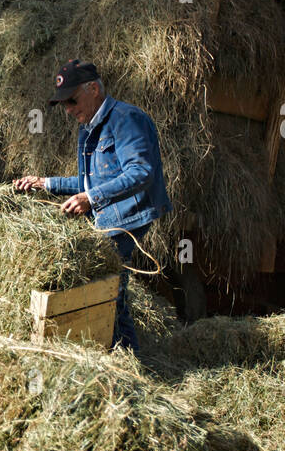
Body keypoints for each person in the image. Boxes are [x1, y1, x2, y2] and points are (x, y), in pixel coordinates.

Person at [13, 59, 172, 351]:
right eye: (63, 104)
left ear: (94, 89)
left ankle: (127, 361)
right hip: (107, 217)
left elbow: (140, 172)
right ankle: (110, 352)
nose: (69, 110)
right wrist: (45, 183)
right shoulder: (88, 129)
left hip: (129, 216)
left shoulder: (126, 120)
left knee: (110, 292)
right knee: (106, 290)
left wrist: (92, 199)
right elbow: (91, 181)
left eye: (72, 101)